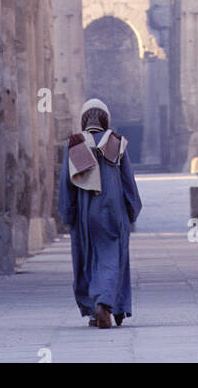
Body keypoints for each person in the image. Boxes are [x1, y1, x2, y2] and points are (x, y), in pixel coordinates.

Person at [58, 97, 142, 328]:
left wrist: (68, 213)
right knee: (112, 257)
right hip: (113, 213)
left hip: (85, 214)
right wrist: (132, 210)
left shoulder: (75, 144)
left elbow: (66, 183)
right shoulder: (116, 142)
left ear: (84, 119)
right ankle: (107, 304)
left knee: (87, 258)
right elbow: (128, 181)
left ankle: (95, 309)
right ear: (105, 119)